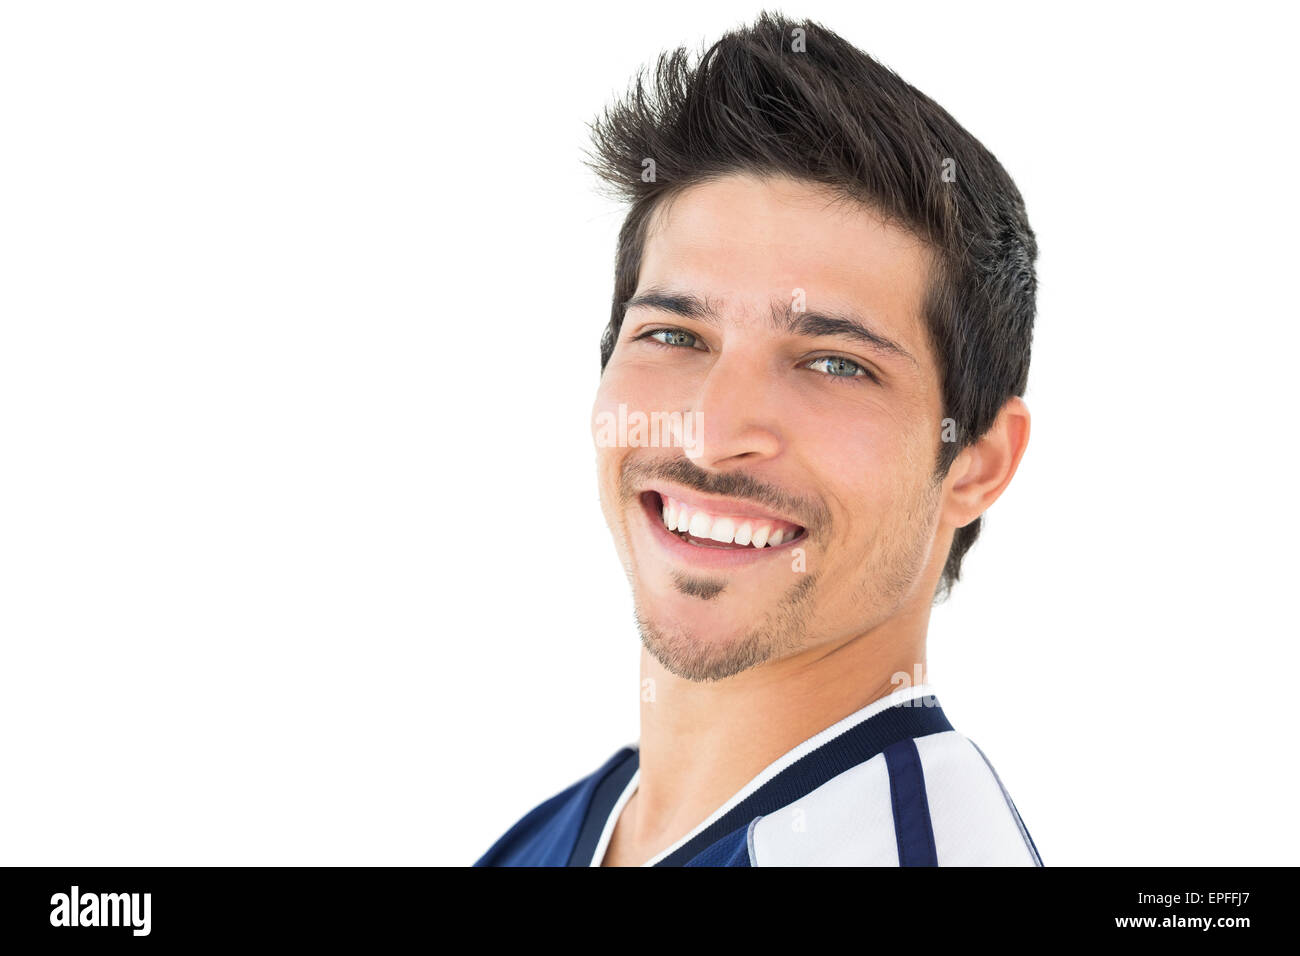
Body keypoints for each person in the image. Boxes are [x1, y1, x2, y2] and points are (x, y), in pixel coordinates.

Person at [476, 11, 1041, 866]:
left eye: (833, 363)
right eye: (674, 335)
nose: (711, 433)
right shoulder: (560, 832)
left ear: (977, 462)